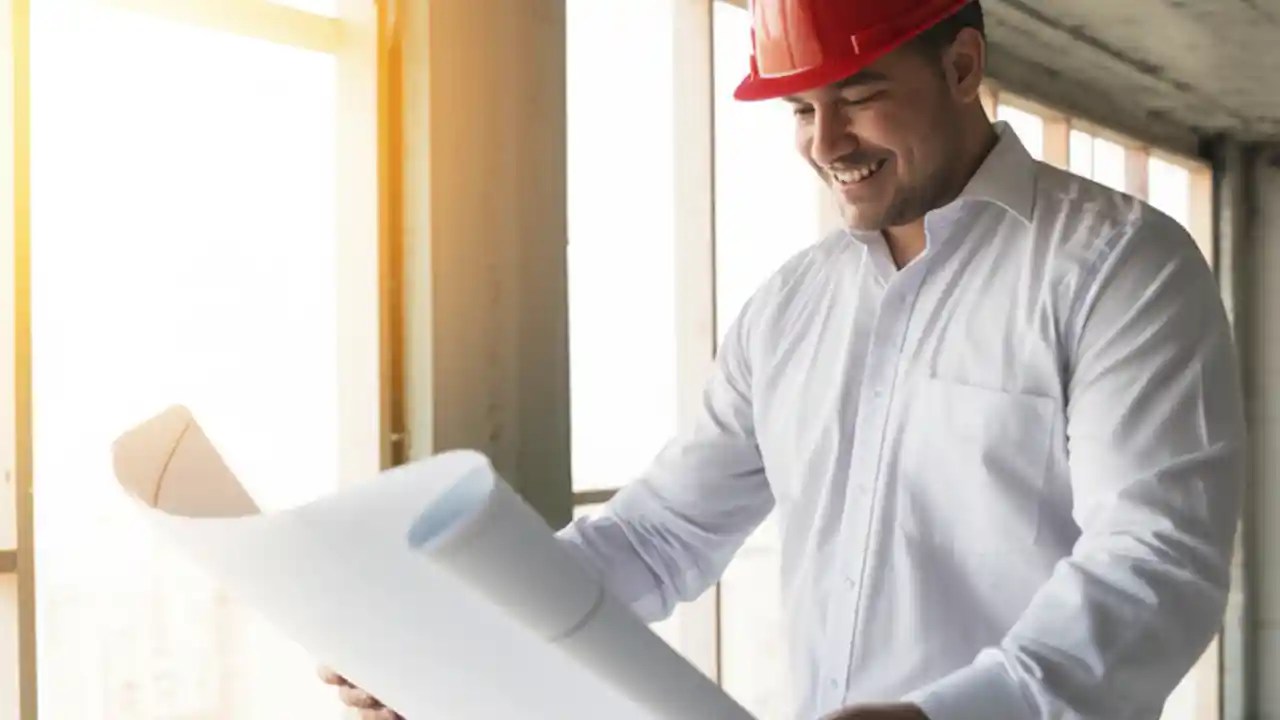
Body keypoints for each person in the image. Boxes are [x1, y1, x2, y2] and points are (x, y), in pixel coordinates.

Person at [324, 0, 1246, 717]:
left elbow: (1154, 561)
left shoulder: (1121, 267)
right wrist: (446, 636)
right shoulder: (791, 308)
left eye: (858, 96)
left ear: (962, 67)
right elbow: (656, 536)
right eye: (803, 107)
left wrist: (943, 718)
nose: (824, 142)